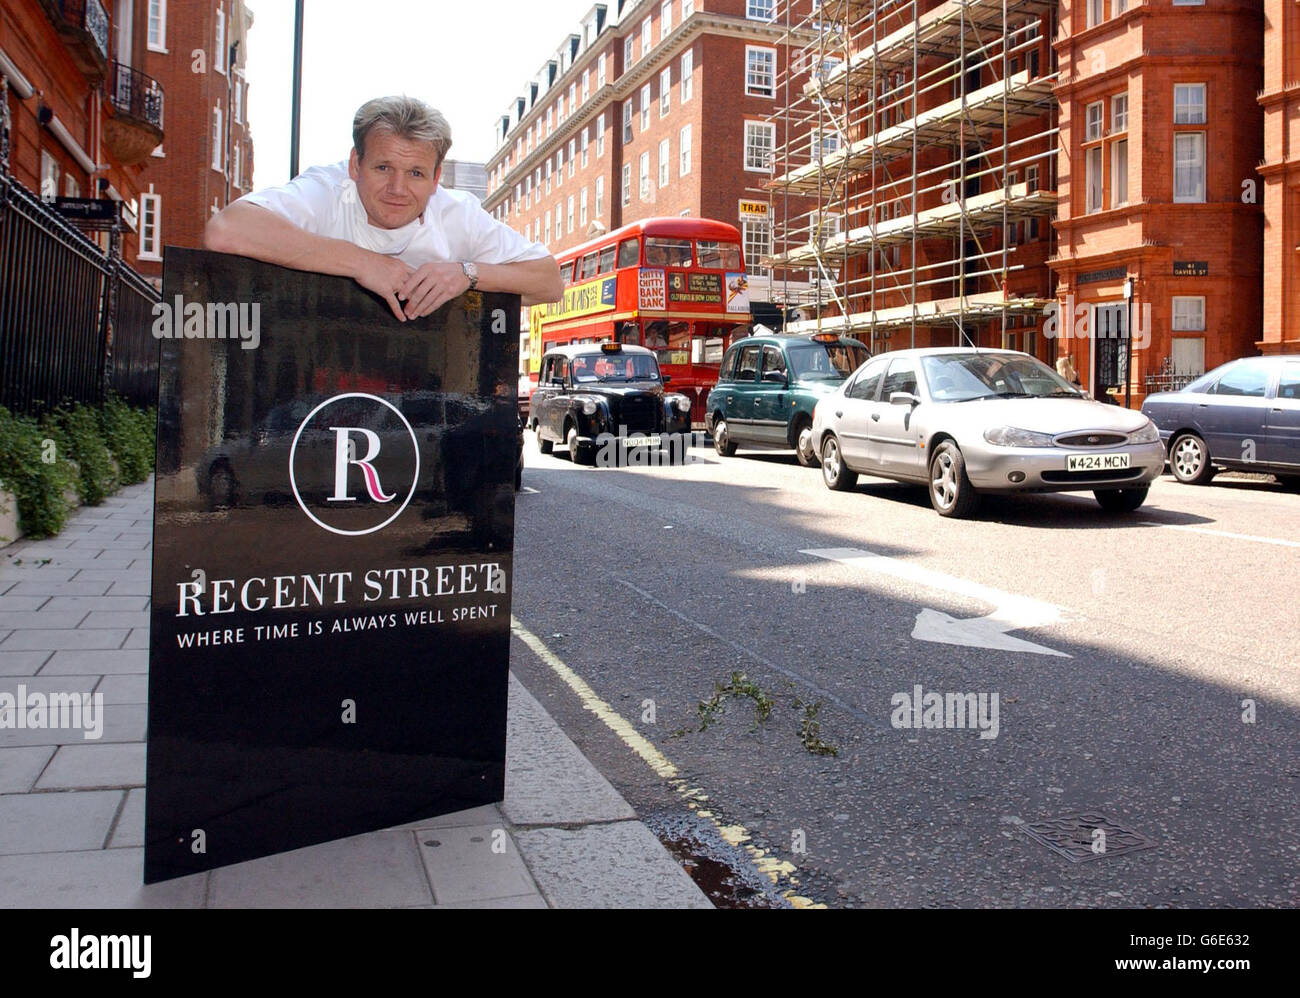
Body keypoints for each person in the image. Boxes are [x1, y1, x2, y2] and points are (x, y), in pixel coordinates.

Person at [204, 95, 562, 322]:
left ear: (437, 178)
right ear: (355, 165)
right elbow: (226, 231)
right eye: (383, 168)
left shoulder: (457, 214)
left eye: (416, 173)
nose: (397, 189)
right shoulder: (327, 191)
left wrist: (465, 273)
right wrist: (364, 263)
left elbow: (549, 282)